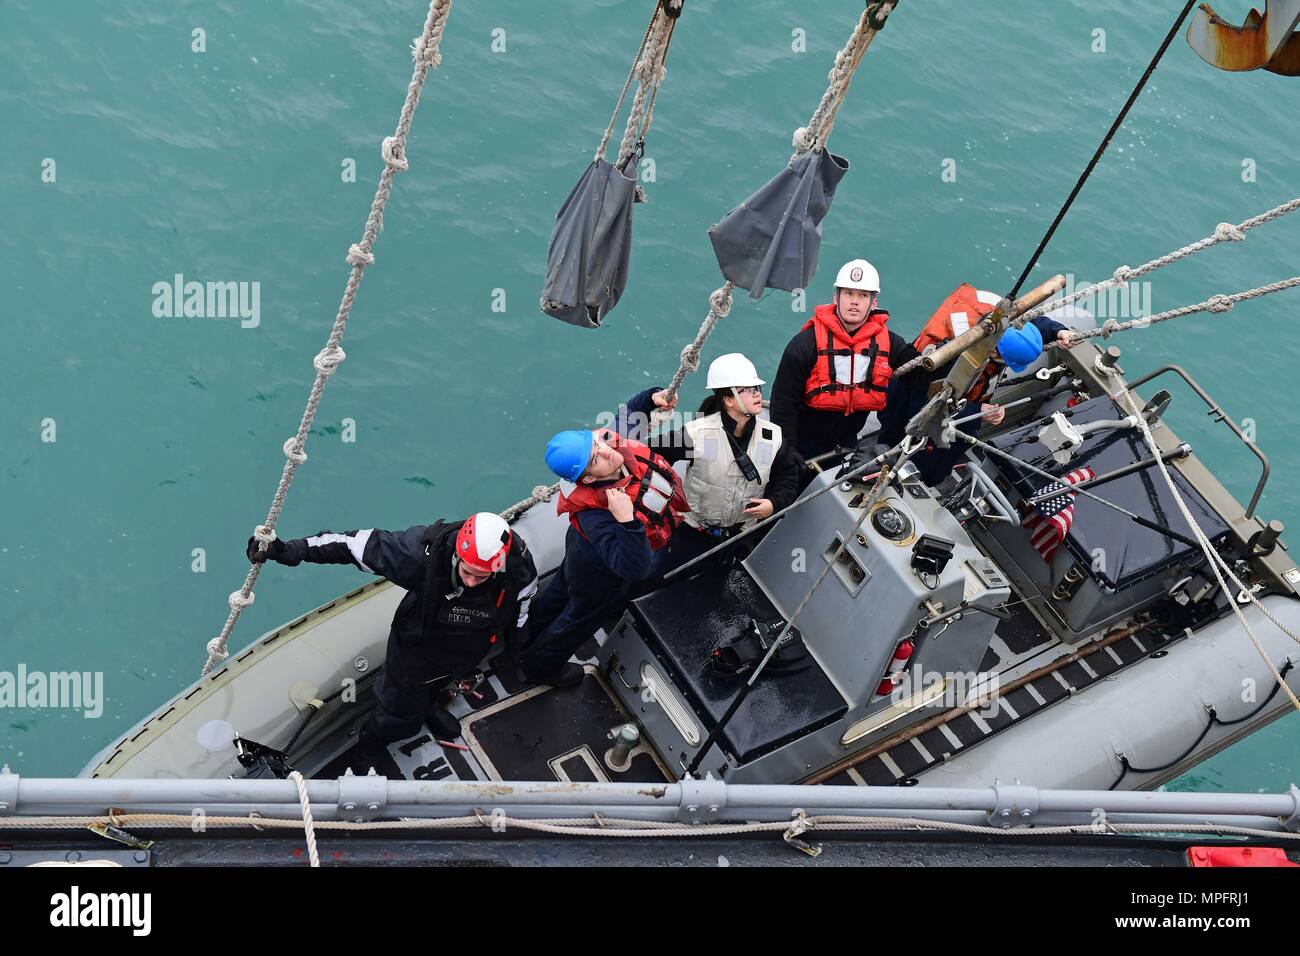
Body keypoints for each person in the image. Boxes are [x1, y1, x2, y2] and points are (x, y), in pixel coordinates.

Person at [247, 512, 537, 768]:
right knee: (397, 717)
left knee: (436, 689)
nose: (471, 582)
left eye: (481, 576)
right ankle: (369, 748)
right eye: (467, 572)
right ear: (458, 555)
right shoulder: (421, 557)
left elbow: (522, 605)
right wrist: (289, 550)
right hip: (416, 654)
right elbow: (352, 545)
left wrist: (516, 643)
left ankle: (430, 707)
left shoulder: (517, 569)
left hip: (466, 652)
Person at [518, 387, 690, 687]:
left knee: (561, 588)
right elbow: (633, 568)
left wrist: (650, 400)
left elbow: (627, 418)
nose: (607, 450)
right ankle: (540, 667)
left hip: (579, 550)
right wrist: (627, 522)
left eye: (598, 443)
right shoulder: (596, 514)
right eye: (596, 458)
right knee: (579, 617)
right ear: (588, 479)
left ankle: (529, 632)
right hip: (599, 570)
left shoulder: (607, 448)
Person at [878, 282, 1075, 484]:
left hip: (939, 398)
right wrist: (979, 412)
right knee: (902, 449)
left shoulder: (1000, 320)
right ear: (995, 351)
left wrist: (1057, 332)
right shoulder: (952, 358)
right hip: (911, 403)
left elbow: (1030, 325)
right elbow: (925, 410)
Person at [646, 353, 801, 576]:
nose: (758, 393)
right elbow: (652, 455)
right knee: (657, 577)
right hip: (690, 533)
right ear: (728, 400)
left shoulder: (772, 437)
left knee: (711, 583)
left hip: (735, 537)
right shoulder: (698, 435)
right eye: (748, 389)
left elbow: (787, 477)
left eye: (757, 387)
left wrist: (773, 504)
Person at [769, 258, 927, 466]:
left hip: (843, 446)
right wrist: (788, 451)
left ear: (874, 303)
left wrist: (947, 353)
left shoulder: (888, 343)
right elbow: (783, 404)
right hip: (801, 443)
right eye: (848, 294)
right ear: (836, 298)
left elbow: (920, 374)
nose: (854, 301)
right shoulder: (805, 345)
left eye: (863, 295)